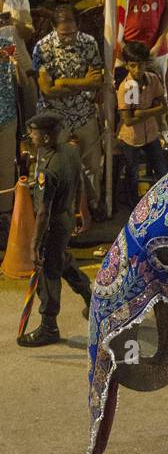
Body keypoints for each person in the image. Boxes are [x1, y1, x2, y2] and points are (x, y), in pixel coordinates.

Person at [17, 111, 91, 348]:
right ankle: (92, 298)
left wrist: (34, 244)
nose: (30, 136)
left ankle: (49, 327)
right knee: (63, 261)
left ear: (47, 138)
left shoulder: (47, 169)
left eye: (34, 133)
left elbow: (43, 213)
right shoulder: (70, 150)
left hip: (52, 224)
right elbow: (80, 181)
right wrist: (79, 212)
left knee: (48, 273)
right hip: (67, 217)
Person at [32, 6, 104, 217]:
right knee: (50, 165)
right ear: (54, 29)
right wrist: (83, 82)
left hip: (84, 113)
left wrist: (63, 82)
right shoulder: (42, 48)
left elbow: (97, 81)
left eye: (72, 33)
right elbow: (47, 90)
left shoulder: (89, 43)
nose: (69, 38)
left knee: (91, 163)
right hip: (54, 117)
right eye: (64, 35)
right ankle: (45, 209)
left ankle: (93, 205)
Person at [116, 41, 168, 200]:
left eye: (141, 65)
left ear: (146, 63)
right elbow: (129, 121)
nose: (137, 70)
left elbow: (164, 107)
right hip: (131, 138)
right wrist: (153, 110)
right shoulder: (128, 87)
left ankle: (163, 200)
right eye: (133, 65)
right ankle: (133, 204)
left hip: (151, 134)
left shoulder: (152, 79)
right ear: (127, 66)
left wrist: (140, 112)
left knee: (162, 171)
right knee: (132, 175)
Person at [0, 1, 24, 246]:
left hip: (6, 117)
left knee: (7, 171)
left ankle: (5, 222)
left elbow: (24, 79)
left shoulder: (7, 43)